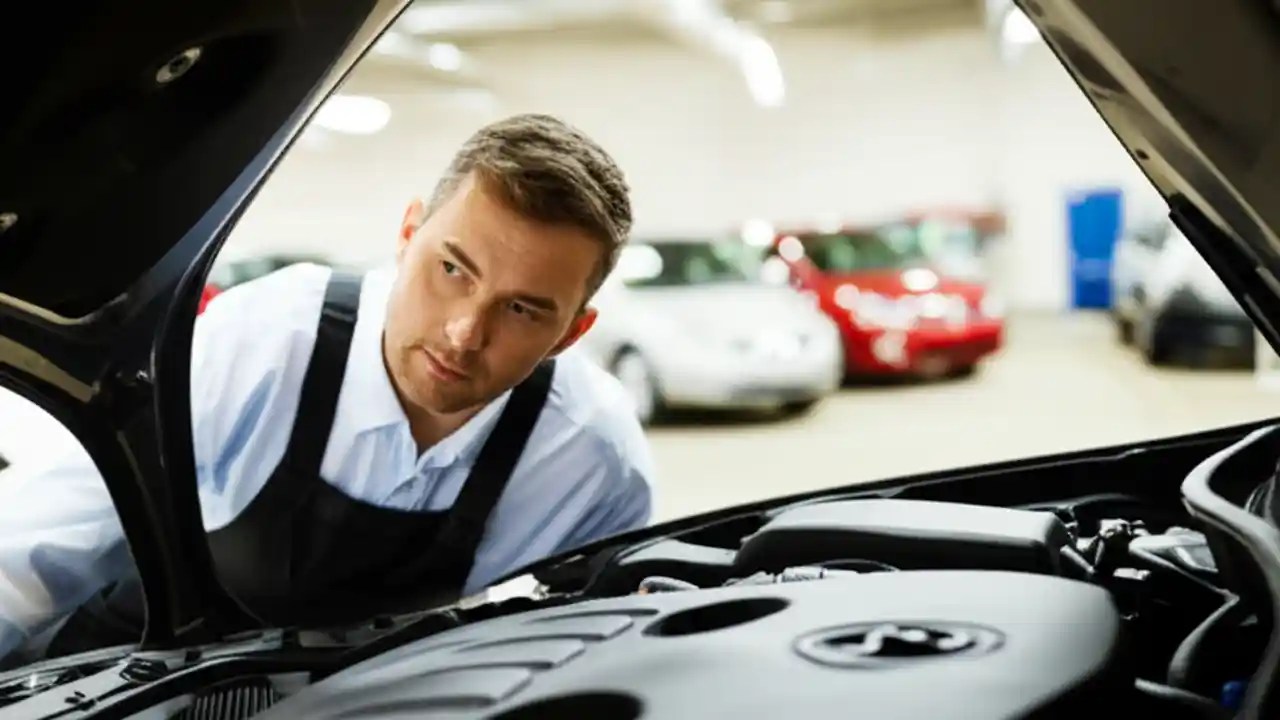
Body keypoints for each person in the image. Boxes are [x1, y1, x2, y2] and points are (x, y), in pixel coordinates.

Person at [0, 113, 656, 662]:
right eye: (453, 268)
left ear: (573, 331)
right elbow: (36, 549)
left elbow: (565, 658)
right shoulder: (263, 341)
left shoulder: (591, 468)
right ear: (407, 234)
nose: (463, 333)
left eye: (521, 310)